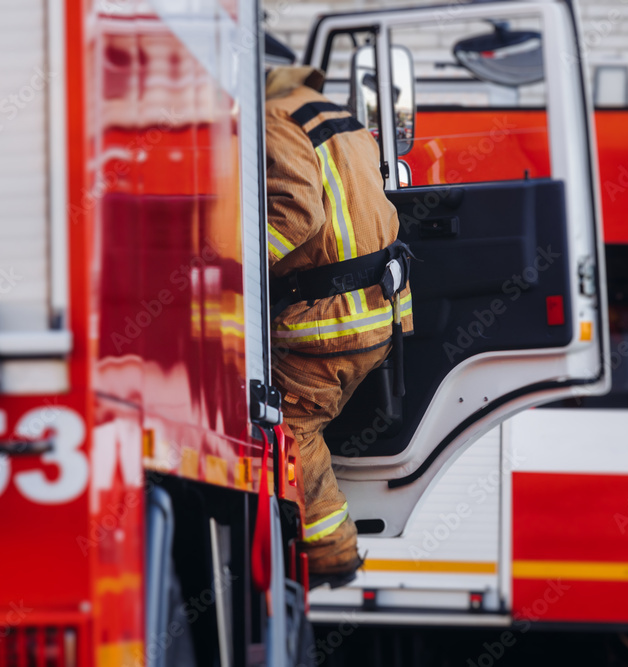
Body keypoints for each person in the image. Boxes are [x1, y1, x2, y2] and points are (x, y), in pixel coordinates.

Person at [264, 65, 413, 589]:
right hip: (378, 309)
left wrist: (230, 267)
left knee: (292, 429)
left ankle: (331, 554)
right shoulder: (330, 112)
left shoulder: (274, 118)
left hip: (330, 324)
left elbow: (296, 215)